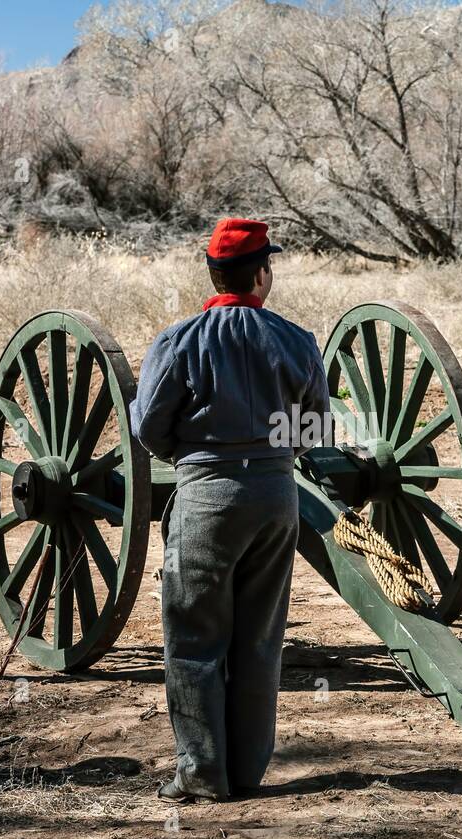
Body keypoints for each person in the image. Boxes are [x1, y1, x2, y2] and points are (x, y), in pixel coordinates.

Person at [132, 218, 328, 803]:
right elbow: (314, 427)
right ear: (262, 275)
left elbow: (148, 428)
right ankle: (246, 772)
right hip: (275, 500)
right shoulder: (295, 340)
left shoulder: (179, 341)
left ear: (213, 274)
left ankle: (200, 773)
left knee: (195, 640)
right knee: (260, 640)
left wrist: (197, 458)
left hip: (205, 497)